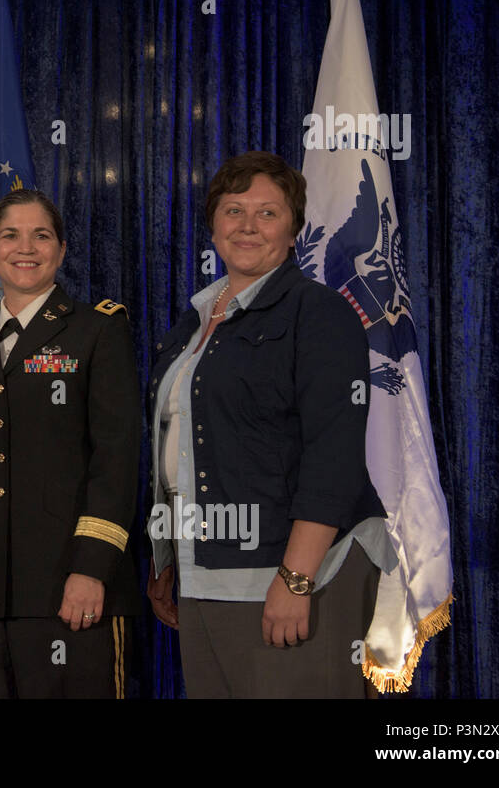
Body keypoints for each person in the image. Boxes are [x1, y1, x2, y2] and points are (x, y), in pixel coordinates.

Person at [145, 150, 396, 698]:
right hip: (206, 569)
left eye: (267, 212)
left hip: (295, 571)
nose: (248, 226)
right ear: (213, 225)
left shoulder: (320, 312)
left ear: (293, 228)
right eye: (234, 211)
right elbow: (176, 451)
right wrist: (171, 556)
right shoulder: (191, 322)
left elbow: (335, 455)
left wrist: (296, 578)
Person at [0, 188, 140, 698]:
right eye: (10, 235)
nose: (26, 247)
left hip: (69, 585)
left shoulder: (99, 330)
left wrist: (90, 568)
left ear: (61, 250)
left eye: (41, 235)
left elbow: (118, 460)